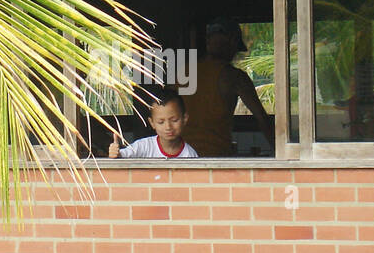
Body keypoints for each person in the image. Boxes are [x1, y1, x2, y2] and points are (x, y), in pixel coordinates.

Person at [183, 18, 274, 157]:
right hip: (214, 158)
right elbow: (262, 119)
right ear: (232, 41)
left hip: (180, 159)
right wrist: (282, 155)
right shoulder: (235, 77)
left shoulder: (183, 72)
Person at [108, 88, 198, 158]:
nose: (168, 127)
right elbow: (121, 156)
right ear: (152, 123)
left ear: (185, 119)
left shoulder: (190, 154)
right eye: (161, 122)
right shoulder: (144, 146)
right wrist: (115, 153)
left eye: (174, 120)